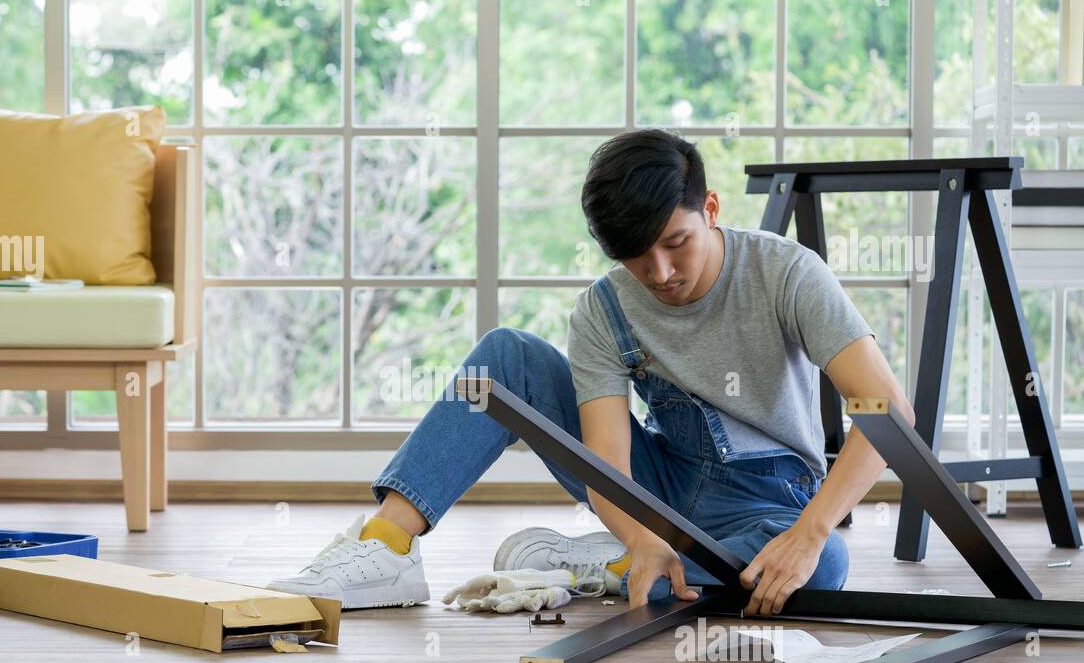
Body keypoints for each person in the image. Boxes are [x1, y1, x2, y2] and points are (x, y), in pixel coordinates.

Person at [267, 129, 915, 616]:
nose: (660, 273)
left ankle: (613, 565)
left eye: (675, 243)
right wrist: (639, 528)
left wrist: (811, 531)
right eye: (638, 258)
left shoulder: (788, 273)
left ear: (710, 208)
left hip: (766, 504)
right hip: (656, 486)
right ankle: (387, 550)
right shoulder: (604, 309)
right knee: (507, 354)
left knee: (824, 565)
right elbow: (607, 462)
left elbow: (888, 411)